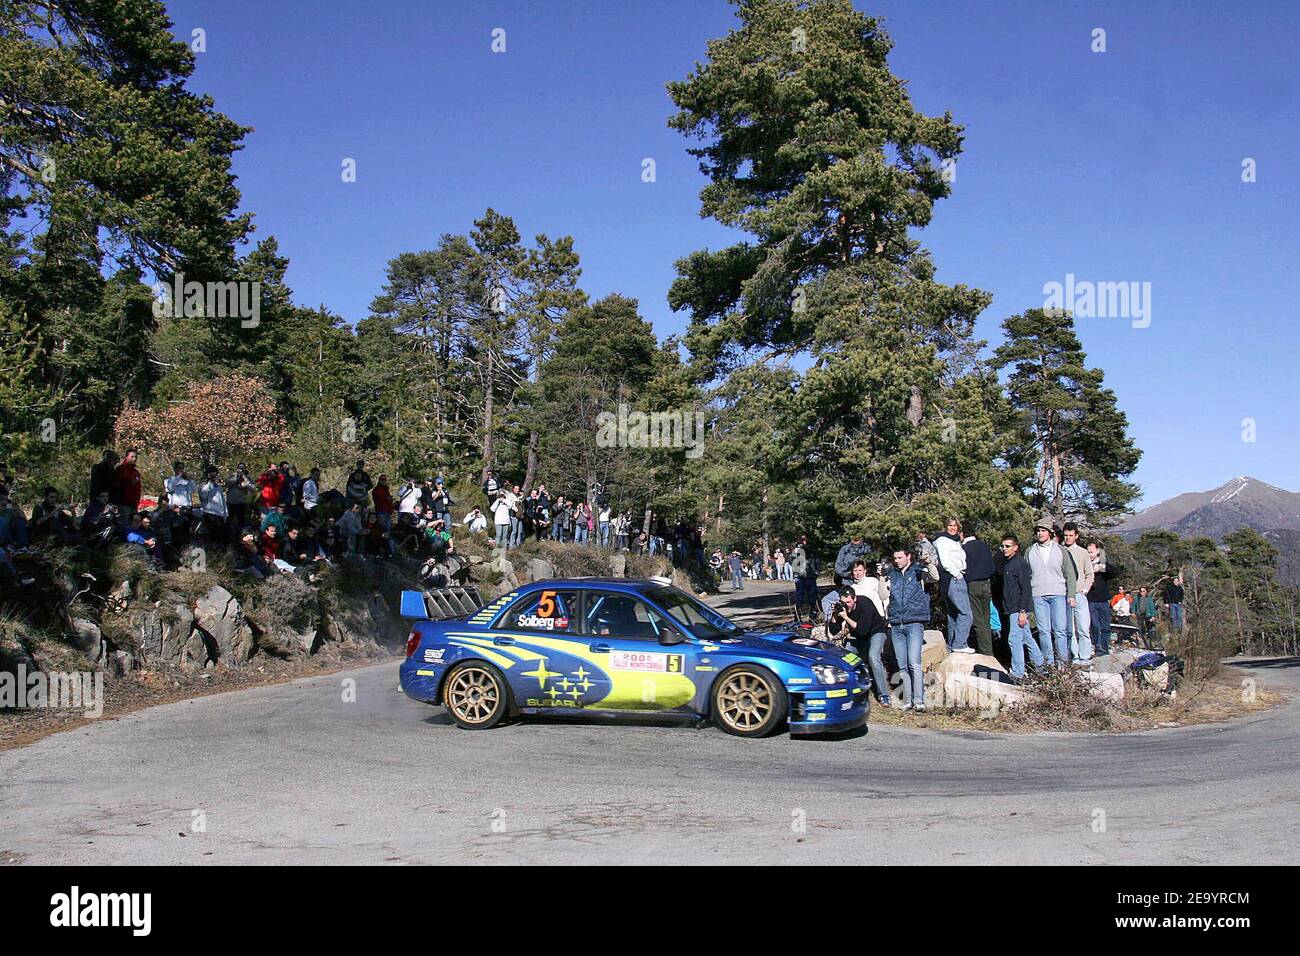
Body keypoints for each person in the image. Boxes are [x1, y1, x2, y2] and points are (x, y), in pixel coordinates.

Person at [886, 542, 939, 711]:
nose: (896, 561)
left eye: (900, 557)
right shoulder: (891, 574)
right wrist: (881, 577)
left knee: (914, 663)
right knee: (902, 664)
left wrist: (929, 562)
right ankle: (908, 700)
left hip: (914, 622)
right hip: (896, 623)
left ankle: (919, 700)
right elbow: (882, 594)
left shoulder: (918, 571)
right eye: (895, 558)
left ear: (908, 556)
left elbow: (935, 577)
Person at [827, 585, 891, 706]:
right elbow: (834, 630)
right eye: (843, 602)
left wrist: (845, 617)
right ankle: (849, 691)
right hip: (859, 636)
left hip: (876, 631)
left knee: (873, 658)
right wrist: (835, 615)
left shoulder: (865, 603)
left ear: (854, 599)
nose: (846, 605)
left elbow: (863, 630)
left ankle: (884, 695)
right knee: (845, 658)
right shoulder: (842, 608)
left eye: (848, 602)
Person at [1027, 518, 1076, 665]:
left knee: (1060, 630)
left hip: (1058, 594)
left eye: (1043, 530)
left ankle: (1062, 664)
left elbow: (1070, 574)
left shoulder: (1061, 550)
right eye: (1038, 531)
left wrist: (1071, 595)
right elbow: (1027, 575)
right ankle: (1048, 663)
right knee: (1043, 631)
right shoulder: (1030, 551)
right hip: (1038, 595)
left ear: (1050, 533)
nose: (1040, 533)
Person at [998, 534, 1045, 679]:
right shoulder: (1008, 563)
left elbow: (1026, 588)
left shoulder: (1020, 564)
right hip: (1011, 607)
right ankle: (1041, 666)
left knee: (1014, 639)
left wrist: (1023, 610)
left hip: (1018, 609)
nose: (1004, 549)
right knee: (1027, 638)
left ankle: (1018, 672)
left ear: (1016, 547)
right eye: (1003, 546)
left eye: (1008, 546)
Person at [932, 518, 974, 654]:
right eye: (950, 525)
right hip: (953, 578)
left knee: (954, 614)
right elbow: (945, 562)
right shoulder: (943, 541)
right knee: (966, 613)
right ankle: (960, 644)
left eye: (955, 525)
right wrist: (957, 574)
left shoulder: (954, 541)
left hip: (955, 578)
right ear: (945, 526)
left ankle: (952, 645)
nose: (952, 528)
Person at [1061, 522, 1094, 664]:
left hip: (1079, 594)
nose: (1068, 538)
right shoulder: (1060, 550)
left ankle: (1085, 657)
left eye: (1071, 535)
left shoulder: (1082, 552)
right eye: (1066, 535)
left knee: (1083, 627)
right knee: (1069, 629)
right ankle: (1074, 656)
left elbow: (1089, 574)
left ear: (1076, 536)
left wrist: (1085, 589)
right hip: (1064, 594)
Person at [962, 530, 996, 656]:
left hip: (972, 585)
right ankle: (989, 648)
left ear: (962, 534)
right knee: (986, 620)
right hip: (986, 584)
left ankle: (986, 651)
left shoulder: (964, 548)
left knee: (977, 620)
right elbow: (992, 567)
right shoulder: (984, 545)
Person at [1086, 541, 1113, 655]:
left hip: (1103, 600)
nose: (1090, 554)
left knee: (1105, 626)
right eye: (1088, 552)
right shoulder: (1085, 564)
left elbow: (1115, 572)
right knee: (1095, 625)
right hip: (1091, 599)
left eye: (1092, 551)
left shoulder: (1102, 564)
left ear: (1097, 551)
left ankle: (1105, 647)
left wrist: (1102, 566)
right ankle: (1097, 647)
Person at [198, 466, 228, 542]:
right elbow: (203, 496)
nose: (215, 476)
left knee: (220, 537)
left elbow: (222, 501)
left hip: (220, 515)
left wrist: (225, 514)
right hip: (210, 514)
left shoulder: (218, 487)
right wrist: (210, 482)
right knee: (211, 536)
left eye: (216, 474)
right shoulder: (204, 486)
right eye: (213, 474)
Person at [114, 448, 143, 521]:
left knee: (133, 524)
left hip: (134, 503)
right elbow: (117, 486)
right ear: (126, 457)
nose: (134, 459)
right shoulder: (121, 469)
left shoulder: (136, 472)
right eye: (132, 457)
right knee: (124, 524)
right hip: (124, 503)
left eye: (135, 457)